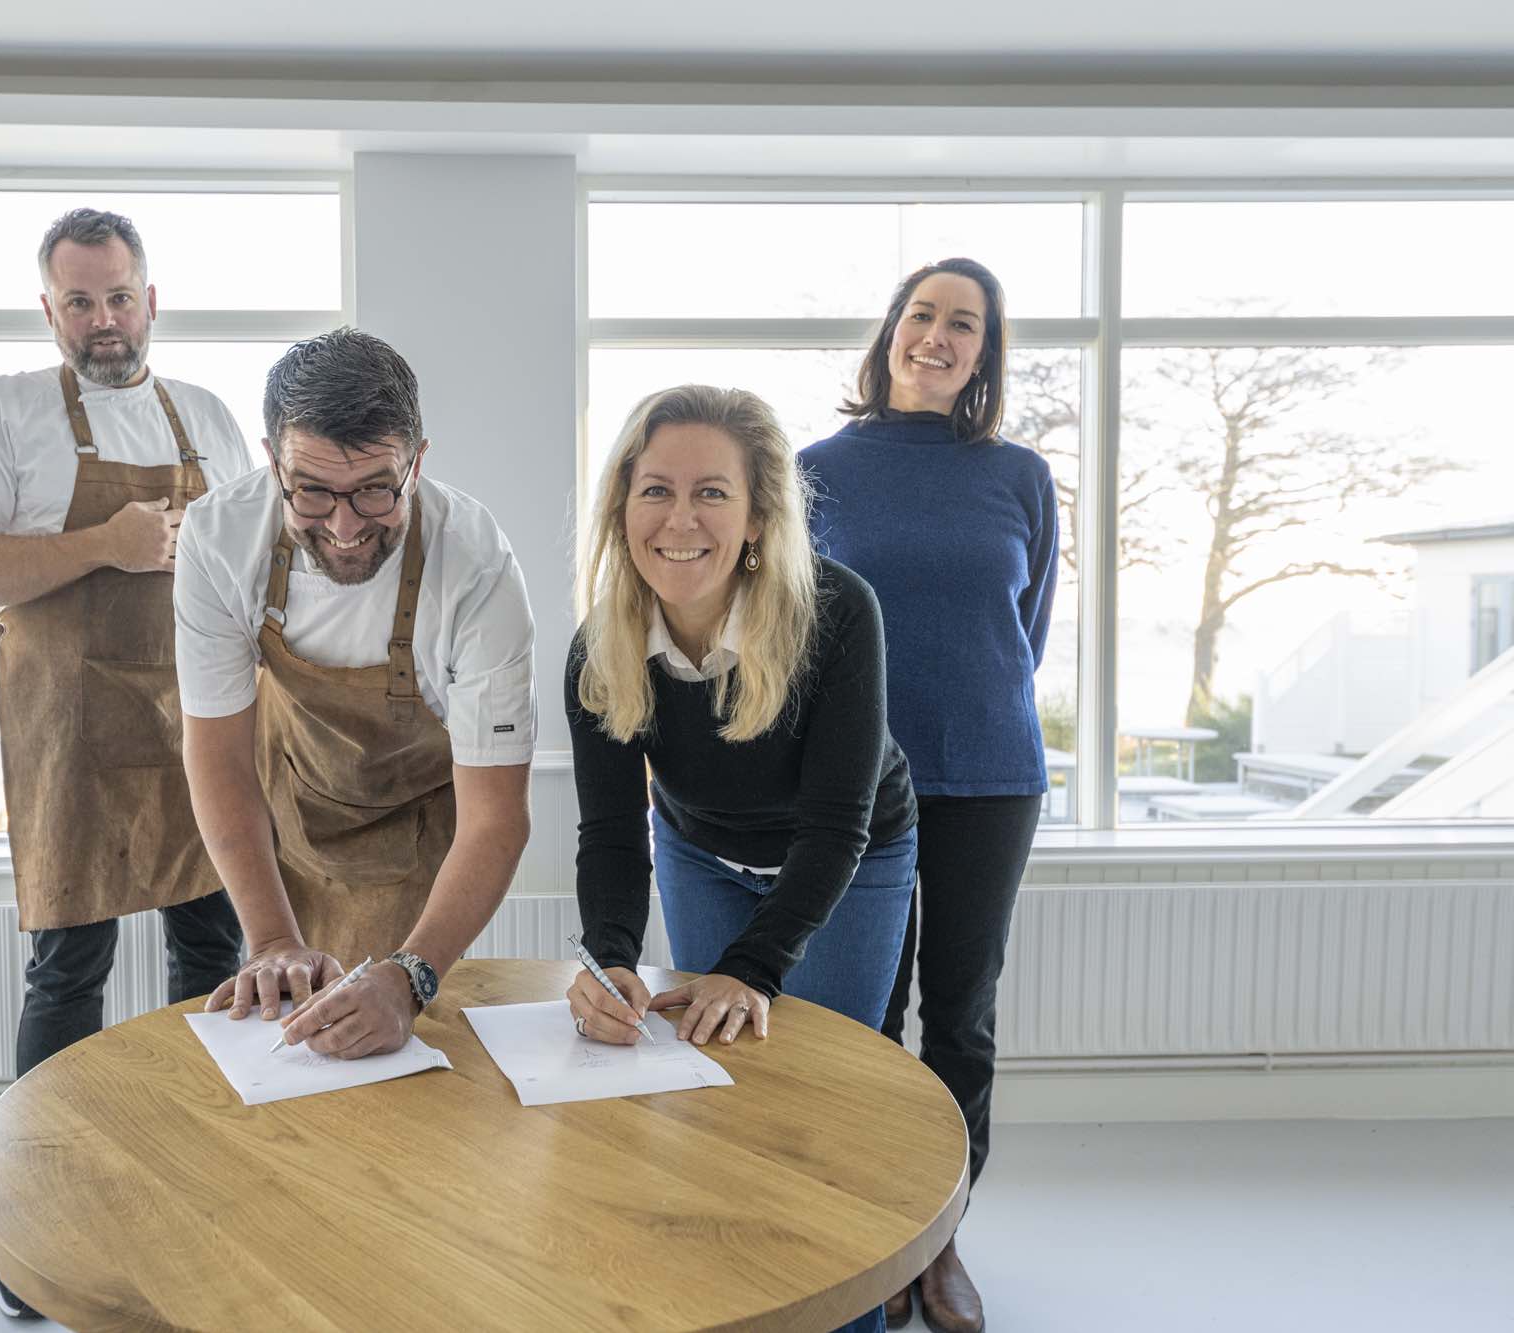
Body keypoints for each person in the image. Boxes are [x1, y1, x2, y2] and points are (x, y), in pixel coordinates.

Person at [0, 207, 251, 1320]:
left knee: (218, 951)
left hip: (194, 717)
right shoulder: (2, 411)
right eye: (79, 302)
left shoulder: (201, 414)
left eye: (118, 297)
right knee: (69, 970)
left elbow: (256, 568)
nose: (103, 322)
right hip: (71, 726)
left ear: (151, 299)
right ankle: (34, 1234)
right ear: (47, 308)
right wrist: (102, 546)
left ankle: (207, 1188)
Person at [566, 383, 918, 1333]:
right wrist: (605, 959)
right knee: (722, 1088)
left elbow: (838, 823)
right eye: (655, 490)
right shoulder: (596, 650)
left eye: (712, 493)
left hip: (853, 852)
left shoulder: (839, 612)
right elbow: (609, 833)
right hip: (702, 845)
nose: (680, 519)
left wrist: (751, 966)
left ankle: (852, 1316)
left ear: (759, 515)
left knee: (824, 1099)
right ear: (622, 508)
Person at [801, 258, 1058, 1333]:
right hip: (855, 783)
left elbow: (1024, 630)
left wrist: (969, 712)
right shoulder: (812, 468)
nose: (937, 336)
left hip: (989, 775)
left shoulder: (1020, 477)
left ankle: (938, 1238)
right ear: (890, 332)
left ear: (982, 352)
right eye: (921, 315)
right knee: (859, 1020)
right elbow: (791, 631)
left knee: (958, 1015)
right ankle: (863, 1236)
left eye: (964, 324)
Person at [178, 327, 536, 1059]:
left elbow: (496, 819)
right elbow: (219, 758)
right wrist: (273, 938)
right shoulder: (218, 538)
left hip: (420, 837)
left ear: (418, 461)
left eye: (376, 489)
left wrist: (410, 977)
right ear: (272, 461)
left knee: (402, 1065)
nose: (345, 528)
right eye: (312, 490)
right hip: (285, 814)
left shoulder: (477, 569)